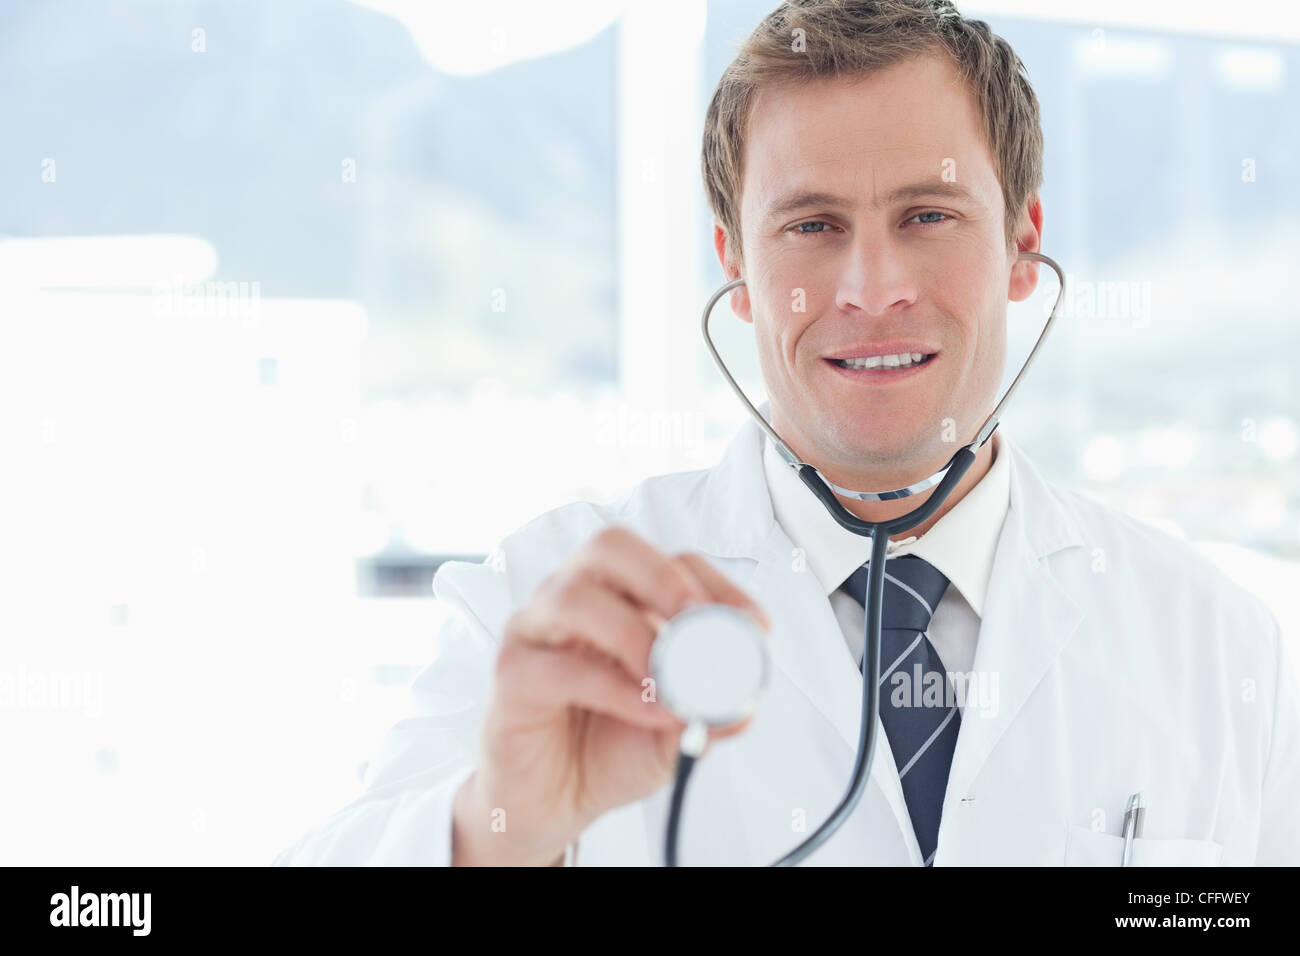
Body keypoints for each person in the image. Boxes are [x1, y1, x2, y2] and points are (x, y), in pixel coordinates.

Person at [273, 0, 1300, 866]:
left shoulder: (1219, 645)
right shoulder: (540, 604)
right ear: (737, 266)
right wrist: (500, 826)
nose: (871, 289)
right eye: (811, 225)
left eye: (926, 215)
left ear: (1022, 240)